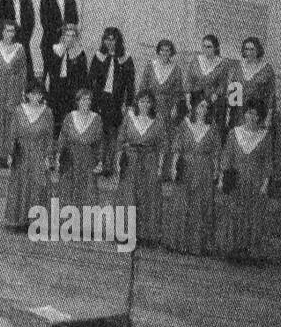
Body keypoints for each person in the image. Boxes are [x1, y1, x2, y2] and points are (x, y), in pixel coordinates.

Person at [215, 98, 273, 260]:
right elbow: (226, 157)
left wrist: (265, 184)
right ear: (244, 114)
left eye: (255, 114)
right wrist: (221, 178)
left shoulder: (265, 136)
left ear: (260, 117)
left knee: (252, 216)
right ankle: (232, 249)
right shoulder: (234, 133)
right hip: (236, 179)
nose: (251, 117)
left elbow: (268, 162)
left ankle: (249, 251)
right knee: (234, 213)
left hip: (255, 181)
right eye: (249, 113)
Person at [165, 92, 220, 256]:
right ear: (194, 108)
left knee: (199, 205)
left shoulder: (212, 129)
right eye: (200, 106)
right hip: (186, 167)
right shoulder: (185, 124)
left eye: (205, 106)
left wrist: (216, 171)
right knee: (182, 203)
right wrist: (174, 167)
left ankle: (195, 245)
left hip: (204, 170)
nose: (203, 109)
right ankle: (178, 242)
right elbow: (176, 148)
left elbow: (216, 153)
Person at [117, 91, 166, 247]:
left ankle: (146, 235)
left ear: (152, 104)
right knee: (129, 196)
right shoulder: (129, 118)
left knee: (148, 196)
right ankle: (125, 233)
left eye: (148, 102)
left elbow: (163, 145)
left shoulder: (157, 120)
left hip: (149, 161)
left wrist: (159, 166)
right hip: (131, 160)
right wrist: (119, 160)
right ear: (137, 103)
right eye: (142, 101)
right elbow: (120, 140)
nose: (145, 105)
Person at [3, 81, 54, 231]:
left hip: (38, 153)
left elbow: (50, 137)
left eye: (38, 94)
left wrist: (48, 156)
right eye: (32, 93)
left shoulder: (47, 112)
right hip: (22, 154)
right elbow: (13, 134)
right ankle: (19, 221)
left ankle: (36, 222)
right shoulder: (19, 110)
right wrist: (10, 153)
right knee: (21, 186)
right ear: (27, 94)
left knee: (37, 187)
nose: (35, 97)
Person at [87, 27, 134, 176]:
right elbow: (91, 79)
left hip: (116, 101)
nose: (110, 42)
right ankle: (99, 163)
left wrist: (128, 104)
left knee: (113, 133)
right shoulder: (99, 56)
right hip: (100, 100)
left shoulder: (126, 59)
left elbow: (130, 84)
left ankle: (110, 164)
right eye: (107, 39)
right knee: (100, 131)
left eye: (113, 39)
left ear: (118, 40)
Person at [0, 20, 28, 167]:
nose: (9, 34)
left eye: (12, 31)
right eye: (7, 30)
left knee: (11, 122)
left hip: (13, 90)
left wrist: (22, 91)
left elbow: (23, 72)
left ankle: (9, 156)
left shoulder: (20, 49)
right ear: (2, 31)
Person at [57, 89, 103, 206]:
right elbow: (62, 138)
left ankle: (86, 221)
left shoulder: (96, 118)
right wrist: (58, 157)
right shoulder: (69, 117)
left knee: (88, 192)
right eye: (83, 99)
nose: (86, 102)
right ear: (77, 101)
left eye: (89, 100)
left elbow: (100, 142)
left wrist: (100, 161)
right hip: (71, 160)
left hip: (88, 159)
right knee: (69, 190)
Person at [228, 37, 277, 139]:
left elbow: (271, 96)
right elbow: (232, 92)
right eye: (246, 49)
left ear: (258, 50)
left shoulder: (267, 69)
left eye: (252, 49)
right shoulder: (238, 67)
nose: (249, 52)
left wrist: (268, 118)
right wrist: (229, 114)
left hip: (257, 114)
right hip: (238, 113)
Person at [48, 23, 88, 136]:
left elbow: (82, 76)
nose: (69, 38)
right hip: (56, 87)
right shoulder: (55, 49)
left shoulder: (80, 53)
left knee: (68, 117)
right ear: (63, 36)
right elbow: (50, 69)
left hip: (71, 89)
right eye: (67, 35)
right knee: (55, 115)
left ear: (76, 38)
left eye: (72, 36)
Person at [39, 0, 78, 84]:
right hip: (50, 44)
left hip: (69, 43)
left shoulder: (71, 0)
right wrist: (63, 30)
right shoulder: (45, 0)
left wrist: (68, 37)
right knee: (50, 76)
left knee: (67, 76)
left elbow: (75, 20)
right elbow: (45, 23)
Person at [145, 39, 186, 143]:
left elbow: (178, 92)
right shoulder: (150, 66)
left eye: (167, 50)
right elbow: (143, 87)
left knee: (164, 137)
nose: (164, 53)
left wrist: (175, 107)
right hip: (150, 105)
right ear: (158, 51)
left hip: (166, 107)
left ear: (171, 52)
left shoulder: (176, 69)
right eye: (162, 50)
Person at [185, 34, 231, 128]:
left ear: (215, 48)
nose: (206, 49)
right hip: (195, 99)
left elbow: (222, 86)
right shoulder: (195, 61)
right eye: (204, 46)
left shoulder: (222, 64)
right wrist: (188, 99)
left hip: (213, 101)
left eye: (209, 47)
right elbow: (189, 81)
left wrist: (208, 101)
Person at [1, 0, 36, 79]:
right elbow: (1, 22)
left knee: (27, 70)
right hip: (8, 42)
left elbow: (31, 21)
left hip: (24, 40)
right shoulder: (2, 0)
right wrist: (9, 40)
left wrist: (25, 38)